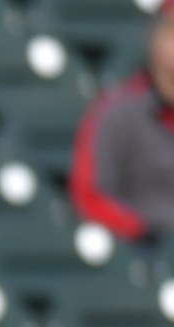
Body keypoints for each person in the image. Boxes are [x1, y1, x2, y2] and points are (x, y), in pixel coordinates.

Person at [71, 0, 174, 245]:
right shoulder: (115, 114)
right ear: (152, 41)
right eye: (170, 35)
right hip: (139, 256)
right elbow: (89, 196)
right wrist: (143, 231)